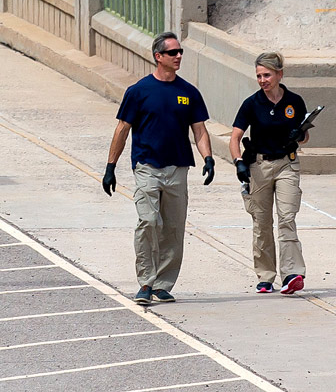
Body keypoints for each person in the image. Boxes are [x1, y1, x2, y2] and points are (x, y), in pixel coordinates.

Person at [102, 31, 214, 305]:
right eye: (173, 52)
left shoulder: (189, 92)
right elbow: (122, 129)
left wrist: (208, 158)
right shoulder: (138, 91)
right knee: (148, 222)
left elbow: (199, 130)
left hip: (178, 168)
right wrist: (110, 167)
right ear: (158, 56)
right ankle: (145, 282)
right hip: (147, 166)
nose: (179, 56)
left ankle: (163, 284)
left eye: (180, 52)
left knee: (173, 228)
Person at [230, 51, 310, 294]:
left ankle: (292, 273)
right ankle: (265, 276)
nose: (262, 80)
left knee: (287, 218)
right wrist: (238, 162)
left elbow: (305, 136)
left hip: (287, 164)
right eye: (259, 76)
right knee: (262, 223)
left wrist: (300, 135)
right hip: (259, 166)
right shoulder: (252, 103)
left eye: (267, 75)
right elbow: (235, 137)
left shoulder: (294, 102)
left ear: (279, 74)